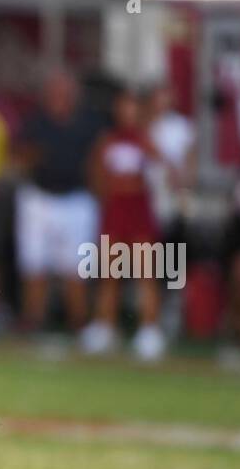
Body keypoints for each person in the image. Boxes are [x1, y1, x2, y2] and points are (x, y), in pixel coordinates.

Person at [13, 68, 105, 332]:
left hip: (77, 200)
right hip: (39, 198)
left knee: (76, 269)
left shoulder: (90, 122)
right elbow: (20, 155)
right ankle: (33, 321)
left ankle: (79, 325)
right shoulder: (36, 121)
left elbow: (98, 160)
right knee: (34, 265)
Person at [82, 89, 165, 360]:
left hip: (139, 214)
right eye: (123, 107)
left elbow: (163, 171)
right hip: (114, 213)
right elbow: (96, 176)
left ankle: (149, 329)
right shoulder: (106, 141)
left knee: (145, 273)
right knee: (110, 273)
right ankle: (105, 326)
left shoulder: (146, 140)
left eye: (132, 107)